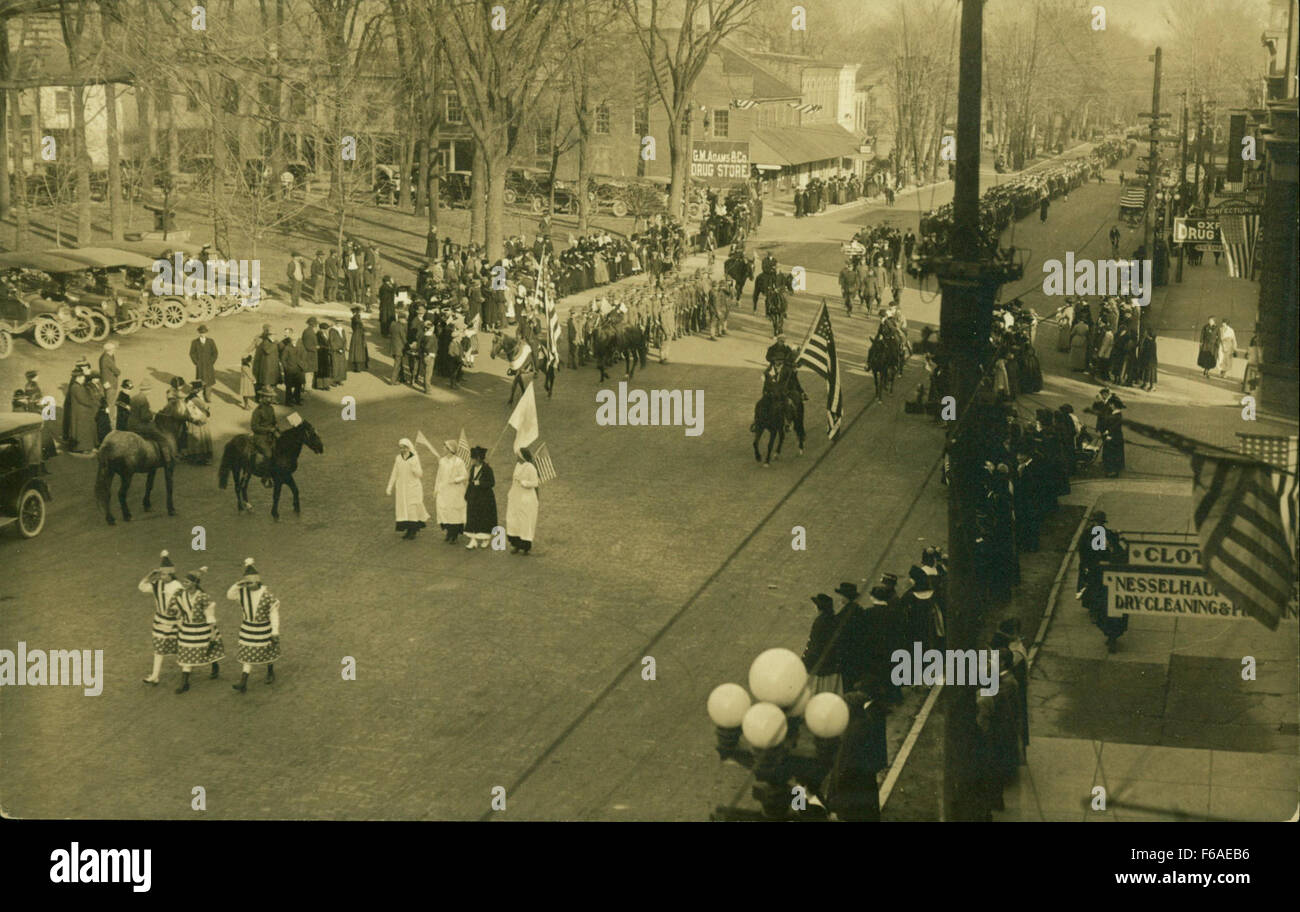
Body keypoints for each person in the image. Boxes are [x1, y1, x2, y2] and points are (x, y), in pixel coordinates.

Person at [1076, 510, 1128, 652]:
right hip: (1108, 573)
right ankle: (1112, 636)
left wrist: (1087, 565)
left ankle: (1106, 629)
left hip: (1097, 572)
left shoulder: (1089, 534)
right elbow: (1117, 552)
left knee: (1099, 599)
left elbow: (1084, 551)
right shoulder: (1107, 534)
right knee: (1110, 605)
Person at [227, 558, 281, 693]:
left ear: (257, 581)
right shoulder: (242, 592)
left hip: (263, 628)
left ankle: (270, 671)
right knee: (248, 654)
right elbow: (229, 595)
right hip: (248, 628)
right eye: (246, 583)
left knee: (267, 652)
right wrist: (237, 584)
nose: (248, 585)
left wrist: (275, 631)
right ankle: (243, 682)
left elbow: (274, 615)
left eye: (250, 582)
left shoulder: (267, 596)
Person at [172, 567, 223, 693]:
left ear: (194, 584)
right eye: (184, 581)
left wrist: (212, 632)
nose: (184, 584)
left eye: (187, 582)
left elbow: (209, 615)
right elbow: (178, 608)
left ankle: (215, 666)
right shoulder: (181, 594)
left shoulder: (203, 597)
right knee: (187, 655)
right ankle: (184, 683)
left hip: (202, 628)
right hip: (187, 629)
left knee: (208, 650)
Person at [140, 550, 181, 685]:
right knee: (159, 649)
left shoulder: (177, 586)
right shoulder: (157, 584)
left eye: (164, 574)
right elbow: (141, 587)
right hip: (160, 621)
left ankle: (196, 667)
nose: (162, 576)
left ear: (171, 574)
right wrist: (150, 575)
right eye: (161, 574)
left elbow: (183, 603)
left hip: (176, 621)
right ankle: (155, 676)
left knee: (185, 645)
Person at [387, 438, 429, 540]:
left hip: (413, 488)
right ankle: (408, 530)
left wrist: (414, 468)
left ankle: (413, 531)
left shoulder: (414, 458)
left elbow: (420, 474)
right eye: (400, 448)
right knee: (404, 509)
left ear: (408, 447)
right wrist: (389, 486)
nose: (402, 450)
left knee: (412, 509)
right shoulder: (398, 458)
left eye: (404, 448)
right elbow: (394, 473)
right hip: (401, 489)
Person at [802, 593, 842, 694]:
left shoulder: (819, 621)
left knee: (815, 692)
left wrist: (805, 661)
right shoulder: (834, 619)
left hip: (819, 667)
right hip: (832, 665)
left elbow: (814, 644)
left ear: (818, 607)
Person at [506, 447, 540, 555]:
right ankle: (515, 544)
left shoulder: (530, 468)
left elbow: (535, 483)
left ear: (522, 457)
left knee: (525, 522)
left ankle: (525, 547)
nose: (517, 458)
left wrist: (525, 483)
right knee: (513, 520)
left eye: (518, 456)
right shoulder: (517, 466)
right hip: (515, 497)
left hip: (526, 498)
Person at [434, 440, 469, 543]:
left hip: (455, 491)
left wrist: (455, 480)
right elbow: (438, 476)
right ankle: (448, 532)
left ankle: (454, 534)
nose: (443, 449)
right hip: (444, 491)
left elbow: (465, 475)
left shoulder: (458, 462)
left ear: (450, 449)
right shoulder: (442, 461)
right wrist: (436, 489)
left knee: (454, 512)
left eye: (445, 447)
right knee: (444, 511)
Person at [464, 445, 497, 551]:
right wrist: (467, 494)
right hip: (474, 497)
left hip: (485, 498)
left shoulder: (487, 469)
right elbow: (470, 481)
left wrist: (480, 483)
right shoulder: (473, 468)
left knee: (484, 518)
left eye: (472, 458)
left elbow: (492, 483)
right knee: (473, 517)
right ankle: (473, 540)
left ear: (478, 458)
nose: (471, 460)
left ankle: (485, 539)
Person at [1091, 387, 1125, 477]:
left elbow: (1114, 425)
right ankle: (1108, 464)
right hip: (1109, 432)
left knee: (1112, 452)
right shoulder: (1114, 410)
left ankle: (1112, 469)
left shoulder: (1115, 411)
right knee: (1109, 450)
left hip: (1113, 436)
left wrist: (1108, 432)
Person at [65, 367, 99, 454]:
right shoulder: (76, 387)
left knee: (85, 430)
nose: (84, 378)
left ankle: (88, 447)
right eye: (82, 377)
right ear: (78, 378)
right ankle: (83, 448)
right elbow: (83, 399)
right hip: (81, 413)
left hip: (83, 412)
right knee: (82, 431)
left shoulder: (77, 386)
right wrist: (92, 402)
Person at [183, 381, 212, 464]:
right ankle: (201, 458)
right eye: (202, 389)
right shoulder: (196, 399)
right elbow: (205, 407)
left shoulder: (189, 398)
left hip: (193, 421)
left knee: (194, 438)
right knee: (200, 437)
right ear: (199, 390)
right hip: (200, 420)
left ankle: (194, 455)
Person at [252, 323, 282, 400]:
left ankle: (271, 399)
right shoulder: (263, 340)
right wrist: (275, 343)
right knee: (263, 383)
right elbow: (267, 350)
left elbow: (281, 348)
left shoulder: (274, 341)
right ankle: (260, 398)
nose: (275, 336)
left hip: (272, 365)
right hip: (264, 365)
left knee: (272, 383)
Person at [189, 325, 218, 401]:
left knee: (209, 382)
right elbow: (192, 353)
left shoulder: (211, 341)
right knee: (200, 381)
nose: (203, 334)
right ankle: (200, 397)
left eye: (204, 333)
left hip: (209, 365)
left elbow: (215, 352)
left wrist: (212, 361)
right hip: (200, 365)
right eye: (201, 333)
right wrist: (196, 362)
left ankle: (208, 397)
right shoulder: (195, 342)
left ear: (207, 333)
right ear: (199, 333)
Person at [250, 389, 279, 464]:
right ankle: (265, 472)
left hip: (271, 434)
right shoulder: (258, 411)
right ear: (263, 397)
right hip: (260, 436)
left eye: (270, 397)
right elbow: (254, 427)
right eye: (268, 397)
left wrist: (276, 425)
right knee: (268, 454)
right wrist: (268, 429)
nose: (270, 399)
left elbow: (274, 420)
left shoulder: (271, 408)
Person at [279, 328, 307, 406]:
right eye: (293, 340)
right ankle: (288, 402)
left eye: (295, 340)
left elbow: (304, 356)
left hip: (299, 369)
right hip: (290, 370)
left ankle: (297, 400)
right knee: (289, 387)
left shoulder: (301, 347)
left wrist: (302, 364)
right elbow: (283, 359)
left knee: (298, 386)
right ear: (291, 340)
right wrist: (286, 368)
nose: (294, 341)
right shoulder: (287, 348)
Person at [99, 341, 121, 420]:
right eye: (113, 349)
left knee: (108, 401)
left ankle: (108, 417)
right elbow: (116, 371)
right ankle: (110, 419)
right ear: (110, 350)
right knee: (111, 402)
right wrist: (118, 372)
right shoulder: (107, 359)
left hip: (106, 382)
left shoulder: (104, 356)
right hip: (111, 383)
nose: (114, 350)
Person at [348, 306, 369, 372]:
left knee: (358, 350)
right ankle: (359, 367)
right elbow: (358, 325)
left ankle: (359, 366)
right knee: (359, 350)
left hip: (357, 335)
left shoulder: (355, 318)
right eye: (358, 312)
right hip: (358, 335)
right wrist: (363, 328)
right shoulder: (356, 318)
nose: (359, 313)